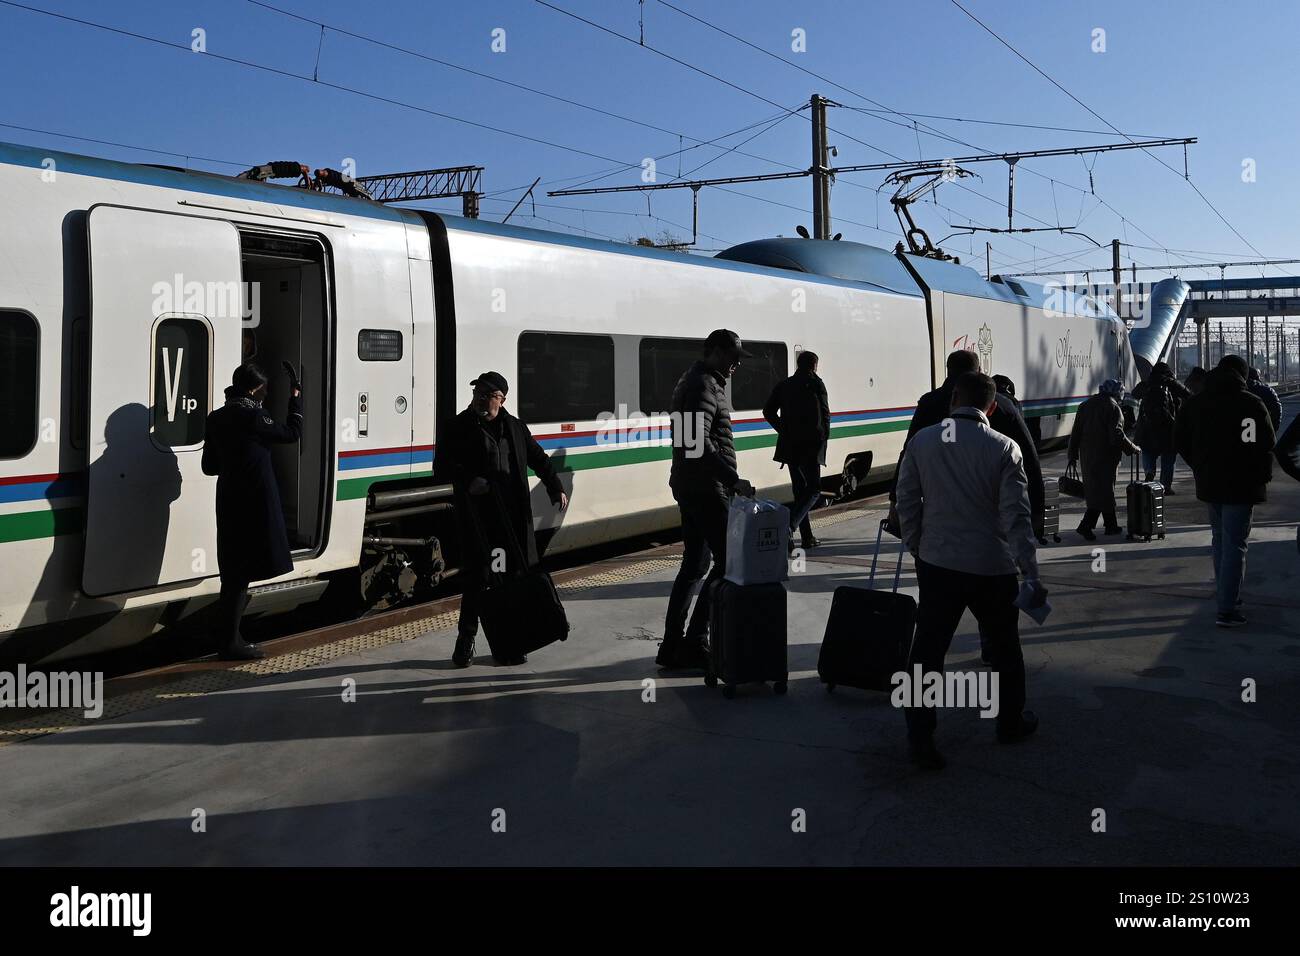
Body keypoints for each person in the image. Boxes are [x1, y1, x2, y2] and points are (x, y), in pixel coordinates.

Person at [894, 371, 1043, 770]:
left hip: (939, 564)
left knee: (926, 653)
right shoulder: (1004, 447)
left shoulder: (923, 440)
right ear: (992, 407)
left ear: (953, 397)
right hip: (992, 567)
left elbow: (905, 498)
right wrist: (1030, 571)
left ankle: (920, 738)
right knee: (1006, 650)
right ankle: (1009, 723)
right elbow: (1017, 517)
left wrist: (916, 544)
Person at [445, 371, 568, 666]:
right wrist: (468, 479)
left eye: (489, 395)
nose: (482, 400)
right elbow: (443, 464)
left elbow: (539, 458)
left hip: (512, 522)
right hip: (480, 522)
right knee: (479, 579)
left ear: (502, 400)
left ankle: (511, 643)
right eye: (478, 394)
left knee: (512, 581)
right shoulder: (458, 427)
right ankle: (466, 641)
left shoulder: (515, 428)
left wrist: (555, 487)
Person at [657, 329, 757, 670]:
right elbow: (695, 442)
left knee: (695, 564)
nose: (737, 364)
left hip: (692, 483)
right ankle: (695, 641)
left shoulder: (700, 381)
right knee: (728, 559)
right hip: (704, 486)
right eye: (733, 356)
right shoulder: (702, 384)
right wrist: (732, 479)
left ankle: (672, 646)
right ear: (714, 352)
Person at [201, 361, 303, 661]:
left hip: (228, 499)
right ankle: (230, 644)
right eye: (265, 388)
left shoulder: (216, 417)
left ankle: (230, 636)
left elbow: (209, 467)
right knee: (242, 573)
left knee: (233, 571)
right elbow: (291, 433)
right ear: (257, 389)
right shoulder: (254, 415)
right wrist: (295, 399)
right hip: (254, 502)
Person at [894, 350, 1044, 539]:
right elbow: (1030, 460)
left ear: (948, 371)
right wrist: (1038, 509)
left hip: (937, 534)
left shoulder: (929, 403)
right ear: (979, 370)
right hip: (990, 533)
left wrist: (896, 504)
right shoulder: (1003, 407)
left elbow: (907, 456)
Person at [1174, 355, 1275, 627]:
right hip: (1241, 484)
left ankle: (1226, 595)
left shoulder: (1196, 404)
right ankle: (1227, 609)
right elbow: (1262, 443)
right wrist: (1258, 473)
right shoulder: (1250, 404)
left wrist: (1199, 465)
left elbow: (1180, 439)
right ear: (1242, 376)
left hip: (1209, 483)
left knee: (1220, 540)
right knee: (1234, 544)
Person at [763, 349, 830, 551]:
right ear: (814, 365)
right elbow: (824, 416)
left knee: (800, 492)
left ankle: (807, 537)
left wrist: (783, 429)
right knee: (814, 489)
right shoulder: (816, 384)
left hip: (790, 445)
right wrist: (823, 439)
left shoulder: (785, 385)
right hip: (810, 445)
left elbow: (768, 411)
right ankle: (789, 526)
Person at [1068, 379, 1139, 540]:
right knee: (1103, 492)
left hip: (1088, 457)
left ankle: (1111, 525)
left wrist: (1072, 455)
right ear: (1117, 392)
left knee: (1102, 491)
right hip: (1106, 457)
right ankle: (1086, 526)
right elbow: (1116, 435)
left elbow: (1075, 433)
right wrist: (1132, 448)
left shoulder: (1085, 405)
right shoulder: (1113, 407)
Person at [1131, 361, 1190, 494]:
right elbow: (1189, 395)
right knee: (1168, 459)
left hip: (1147, 429)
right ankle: (1166, 486)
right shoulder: (1172, 383)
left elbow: (1134, 394)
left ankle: (1149, 472)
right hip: (1168, 428)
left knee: (1147, 453)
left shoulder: (1147, 383)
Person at [1247, 367, 1282, 431]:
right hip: (1263, 429)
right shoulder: (1268, 390)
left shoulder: (1237, 391)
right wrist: (1273, 428)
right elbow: (1277, 410)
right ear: (1257, 376)